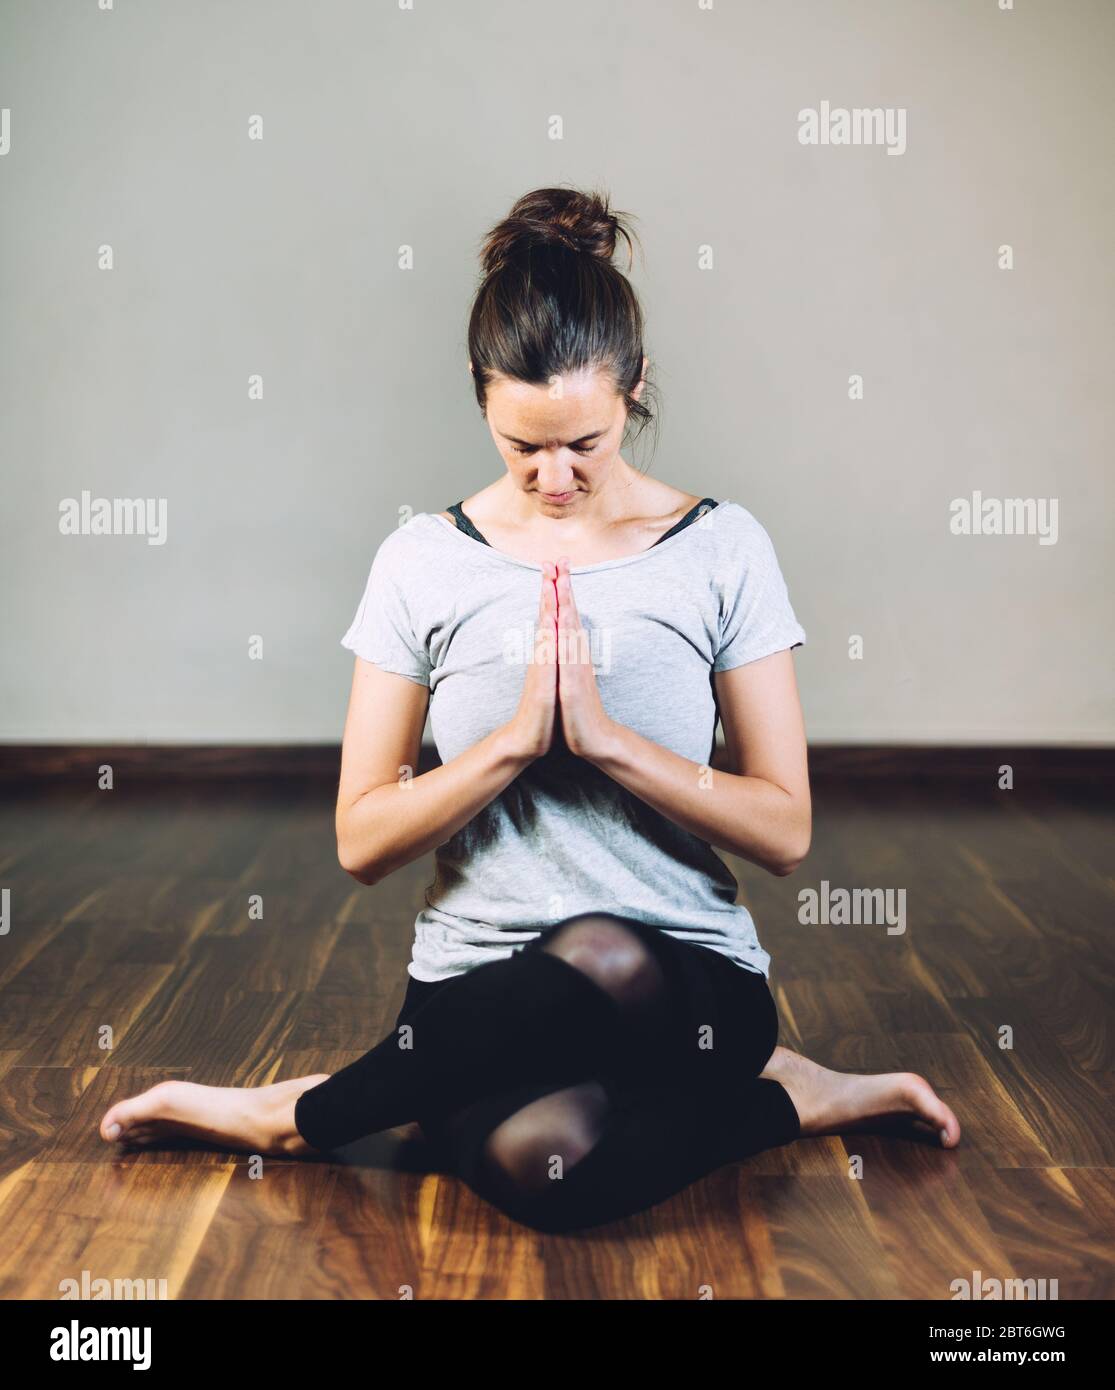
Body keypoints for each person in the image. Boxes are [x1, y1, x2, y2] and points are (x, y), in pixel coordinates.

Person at [101, 186, 959, 1232]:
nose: (555, 476)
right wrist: (510, 747)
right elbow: (360, 843)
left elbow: (785, 829)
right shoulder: (422, 561)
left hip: (678, 985)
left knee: (599, 948)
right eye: (523, 446)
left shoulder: (722, 547)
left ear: (634, 389)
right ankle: (796, 1098)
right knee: (553, 1170)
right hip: (477, 997)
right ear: (479, 397)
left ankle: (291, 1117)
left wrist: (609, 745)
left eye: (584, 444)